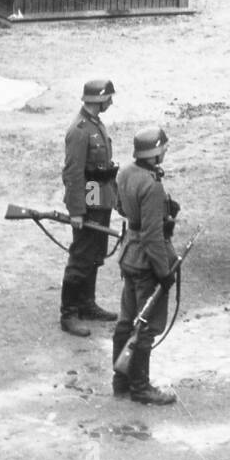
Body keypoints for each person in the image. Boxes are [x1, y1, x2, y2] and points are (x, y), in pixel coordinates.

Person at [111, 127, 178, 405]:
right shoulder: (152, 185)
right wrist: (164, 272)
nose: (164, 152)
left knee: (127, 322)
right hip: (147, 261)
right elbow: (153, 236)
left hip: (130, 255)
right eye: (163, 148)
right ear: (155, 152)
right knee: (146, 326)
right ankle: (140, 387)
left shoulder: (125, 173)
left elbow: (121, 208)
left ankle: (121, 381)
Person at [59, 79, 119, 336]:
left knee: (95, 253)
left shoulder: (94, 124)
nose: (111, 102)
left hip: (98, 199)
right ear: (98, 100)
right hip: (86, 201)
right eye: (108, 98)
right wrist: (76, 212)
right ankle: (69, 312)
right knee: (81, 256)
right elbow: (73, 174)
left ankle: (86, 303)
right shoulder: (80, 130)